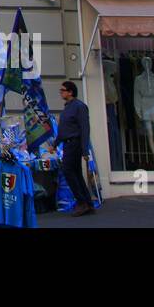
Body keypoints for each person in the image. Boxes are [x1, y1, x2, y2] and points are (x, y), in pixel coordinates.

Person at [56, 80, 94, 217]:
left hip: (75, 143)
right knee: (76, 173)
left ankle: (81, 202)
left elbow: (85, 128)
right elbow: (62, 130)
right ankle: (87, 203)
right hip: (67, 143)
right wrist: (55, 144)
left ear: (70, 92)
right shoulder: (67, 108)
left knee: (68, 170)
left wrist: (85, 149)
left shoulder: (79, 107)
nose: (61, 92)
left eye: (63, 90)